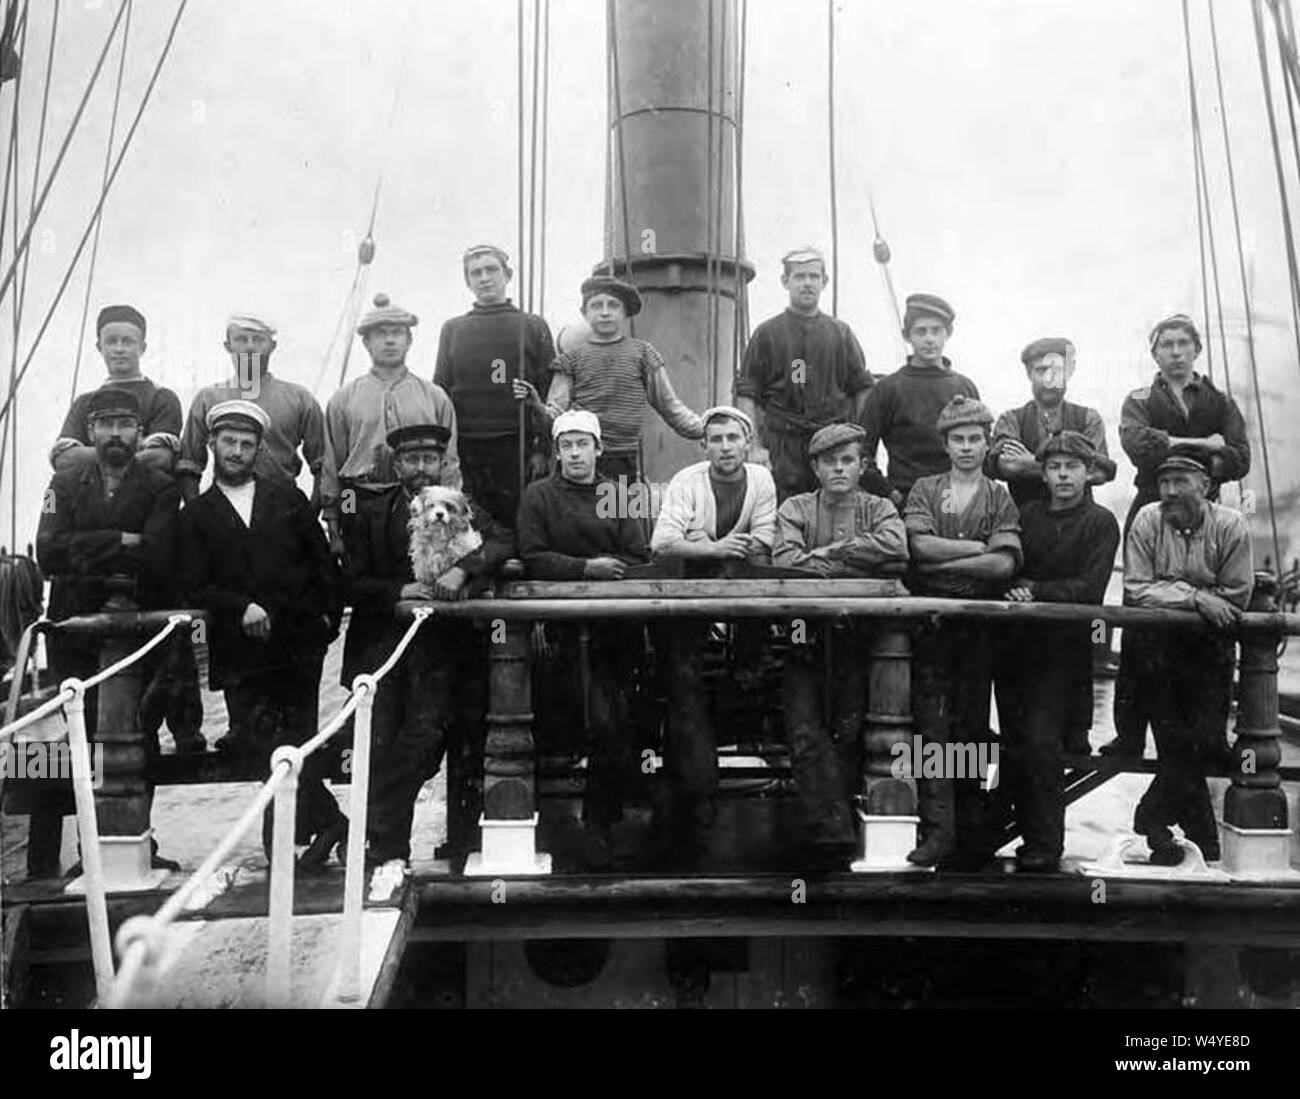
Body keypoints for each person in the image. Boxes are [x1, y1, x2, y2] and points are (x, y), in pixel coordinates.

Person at [178, 401, 345, 869]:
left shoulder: (286, 499)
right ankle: (331, 823)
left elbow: (323, 567)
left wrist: (326, 623)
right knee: (258, 746)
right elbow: (194, 584)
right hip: (241, 652)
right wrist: (240, 607)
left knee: (297, 741)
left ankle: (284, 849)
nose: (236, 451)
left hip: (297, 649)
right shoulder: (197, 515)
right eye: (228, 442)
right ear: (211, 445)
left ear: (258, 449)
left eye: (246, 444)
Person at [341, 422, 514, 873]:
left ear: (443, 463)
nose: (421, 468)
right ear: (396, 465)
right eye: (412, 460)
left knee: (452, 742)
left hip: (450, 651)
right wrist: (401, 590)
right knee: (389, 750)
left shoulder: (465, 505)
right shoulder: (370, 511)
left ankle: (462, 846)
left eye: (430, 460)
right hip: (387, 651)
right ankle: (386, 851)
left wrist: (464, 571)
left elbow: (503, 542)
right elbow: (348, 581)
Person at [36, 386, 184, 871]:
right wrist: (120, 539)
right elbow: (48, 552)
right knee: (85, 738)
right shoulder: (62, 486)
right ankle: (90, 851)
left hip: (144, 627)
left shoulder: (161, 487)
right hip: (75, 630)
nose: (115, 434)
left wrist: (87, 549)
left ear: (140, 433)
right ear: (91, 431)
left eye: (125, 425)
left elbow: (161, 554)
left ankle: (140, 839)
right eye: (105, 425)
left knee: (140, 732)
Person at [1108, 313, 1252, 758]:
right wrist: (1206, 445)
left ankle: (1212, 729)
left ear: (1196, 349)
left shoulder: (1220, 401)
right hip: (1150, 504)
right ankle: (1129, 732)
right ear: (1154, 354)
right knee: (1138, 619)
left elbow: (1240, 458)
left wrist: (1175, 446)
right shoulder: (1140, 399)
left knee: (1216, 618)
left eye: (1182, 344)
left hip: (1205, 509)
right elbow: (1140, 447)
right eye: (1165, 345)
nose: (1174, 352)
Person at [773, 422, 909, 869]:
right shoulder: (795, 507)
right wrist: (857, 559)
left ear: (863, 465)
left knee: (851, 730)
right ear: (814, 466)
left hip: (858, 635)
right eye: (829, 460)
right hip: (803, 633)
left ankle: (839, 823)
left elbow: (897, 550)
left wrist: (829, 553)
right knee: (803, 730)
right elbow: (786, 561)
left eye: (847, 459)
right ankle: (831, 831)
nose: (838, 468)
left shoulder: (880, 507)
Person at [517, 410, 650, 866]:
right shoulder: (539, 495)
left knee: (616, 724)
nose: (575, 453)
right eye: (567, 445)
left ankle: (601, 822)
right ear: (557, 452)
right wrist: (585, 569)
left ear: (598, 450)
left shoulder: (621, 493)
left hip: (615, 628)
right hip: (557, 629)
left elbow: (636, 554)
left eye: (583, 444)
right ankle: (538, 822)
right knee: (569, 721)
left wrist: (604, 571)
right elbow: (533, 556)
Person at [648, 405, 777, 863]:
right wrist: (714, 547)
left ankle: (705, 794)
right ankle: (696, 806)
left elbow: (764, 538)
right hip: (686, 595)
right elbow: (663, 541)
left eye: (732, 438)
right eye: (715, 439)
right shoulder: (687, 480)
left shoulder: (761, 480)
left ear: (747, 443)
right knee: (683, 686)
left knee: (744, 677)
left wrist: (716, 548)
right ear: (704, 446)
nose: (724, 447)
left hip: (740, 593)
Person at [903, 394, 1022, 868]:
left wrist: (955, 553)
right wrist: (975, 548)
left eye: (975, 439)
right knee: (931, 726)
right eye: (958, 439)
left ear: (987, 443)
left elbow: (1003, 564)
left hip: (978, 624)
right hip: (932, 621)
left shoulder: (999, 495)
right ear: (946, 444)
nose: (967, 447)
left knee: (971, 724)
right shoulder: (926, 489)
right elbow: (918, 550)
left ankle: (970, 836)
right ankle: (936, 831)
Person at [995, 431, 1120, 872]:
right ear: (1043, 474)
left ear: (1088, 474)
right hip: (1017, 648)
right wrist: (1019, 588)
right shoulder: (1027, 516)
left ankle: (1045, 844)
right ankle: (993, 833)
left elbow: (1090, 590)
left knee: (1043, 743)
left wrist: (1034, 590)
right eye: (1054, 467)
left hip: (1065, 653)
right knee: (1012, 743)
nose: (1063, 475)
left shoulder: (1102, 522)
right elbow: (1009, 570)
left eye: (1072, 467)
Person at [1124, 450, 1253, 864]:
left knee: (1206, 740)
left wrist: (1174, 592)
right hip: (1156, 647)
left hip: (1209, 648)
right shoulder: (1147, 519)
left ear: (1206, 486)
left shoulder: (1230, 525)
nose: (1171, 491)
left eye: (1181, 481)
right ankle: (1203, 843)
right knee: (1178, 743)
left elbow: (1236, 596)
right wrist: (1198, 596)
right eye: (1164, 482)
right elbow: (1137, 588)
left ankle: (1152, 817)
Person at [514, 276, 702, 482]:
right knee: (580, 513)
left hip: (626, 460)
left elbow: (671, 407)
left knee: (623, 512)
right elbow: (555, 416)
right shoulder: (570, 360)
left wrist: (705, 429)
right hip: (581, 459)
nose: (604, 312)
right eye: (596, 306)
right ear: (584, 313)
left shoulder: (644, 354)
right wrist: (536, 404)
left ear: (625, 313)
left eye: (613, 305)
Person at [733, 248, 876, 501]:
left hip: (832, 443)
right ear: (785, 282)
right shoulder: (767, 334)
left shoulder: (841, 334)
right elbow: (747, 393)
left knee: (835, 508)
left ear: (825, 282)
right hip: (783, 447)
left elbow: (862, 389)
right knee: (784, 510)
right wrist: (754, 447)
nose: (807, 283)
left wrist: (861, 443)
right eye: (799, 277)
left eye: (813, 276)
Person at [322, 293, 460, 554]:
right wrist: (337, 526)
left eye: (397, 333)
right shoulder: (343, 399)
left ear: (409, 340)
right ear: (366, 342)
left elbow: (449, 462)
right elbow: (335, 467)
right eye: (380, 333)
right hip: (360, 498)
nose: (389, 340)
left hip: (418, 502)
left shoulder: (433, 397)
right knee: (362, 578)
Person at [434, 244, 556, 525]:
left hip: (517, 443)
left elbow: (548, 391)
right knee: (472, 521)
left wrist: (541, 448)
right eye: (476, 273)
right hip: (467, 444)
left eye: (491, 269)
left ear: (508, 274)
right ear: (468, 281)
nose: (484, 278)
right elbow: (441, 387)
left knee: (519, 519)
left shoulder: (533, 325)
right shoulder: (453, 329)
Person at [177, 314, 326, 506]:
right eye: (241, 339)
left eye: (258, 340)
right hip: (225, 510)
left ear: (272, 346)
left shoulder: (299, 399)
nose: (249, 347)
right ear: (227, 346)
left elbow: (323, 465)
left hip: (283, 509)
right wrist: (197, 515)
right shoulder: (208, 399)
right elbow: (189, 465)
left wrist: (310, 516)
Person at [859, 293, 980, 508]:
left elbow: (981, 447)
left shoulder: (964, 387)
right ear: (907, 335)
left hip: (956, 497)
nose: (929, 339)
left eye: (936, 331)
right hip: (908, 497)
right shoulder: (888, 389)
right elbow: (861, 451)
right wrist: (890, 494)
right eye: (921, 331)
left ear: (948, 333)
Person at [50, 305, 182, 476]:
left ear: (142, 347)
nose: (119, 349)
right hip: (90, 500)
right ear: (99, 347)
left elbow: (160, 459)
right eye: (111, 341)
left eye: (128, 341)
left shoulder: (161, 398)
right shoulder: (84, 402)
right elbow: (64, 460)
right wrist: (128, 451)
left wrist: (92, 454)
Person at [987, 337, 1116, 508]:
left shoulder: (1088, 418)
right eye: (1041, 370)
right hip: (1024, 522)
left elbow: (1100, 472)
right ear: (1029, 373)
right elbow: (1009, 465)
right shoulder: (1011, 420)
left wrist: (1030, 463)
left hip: (1079, 523)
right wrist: (1074, 467)